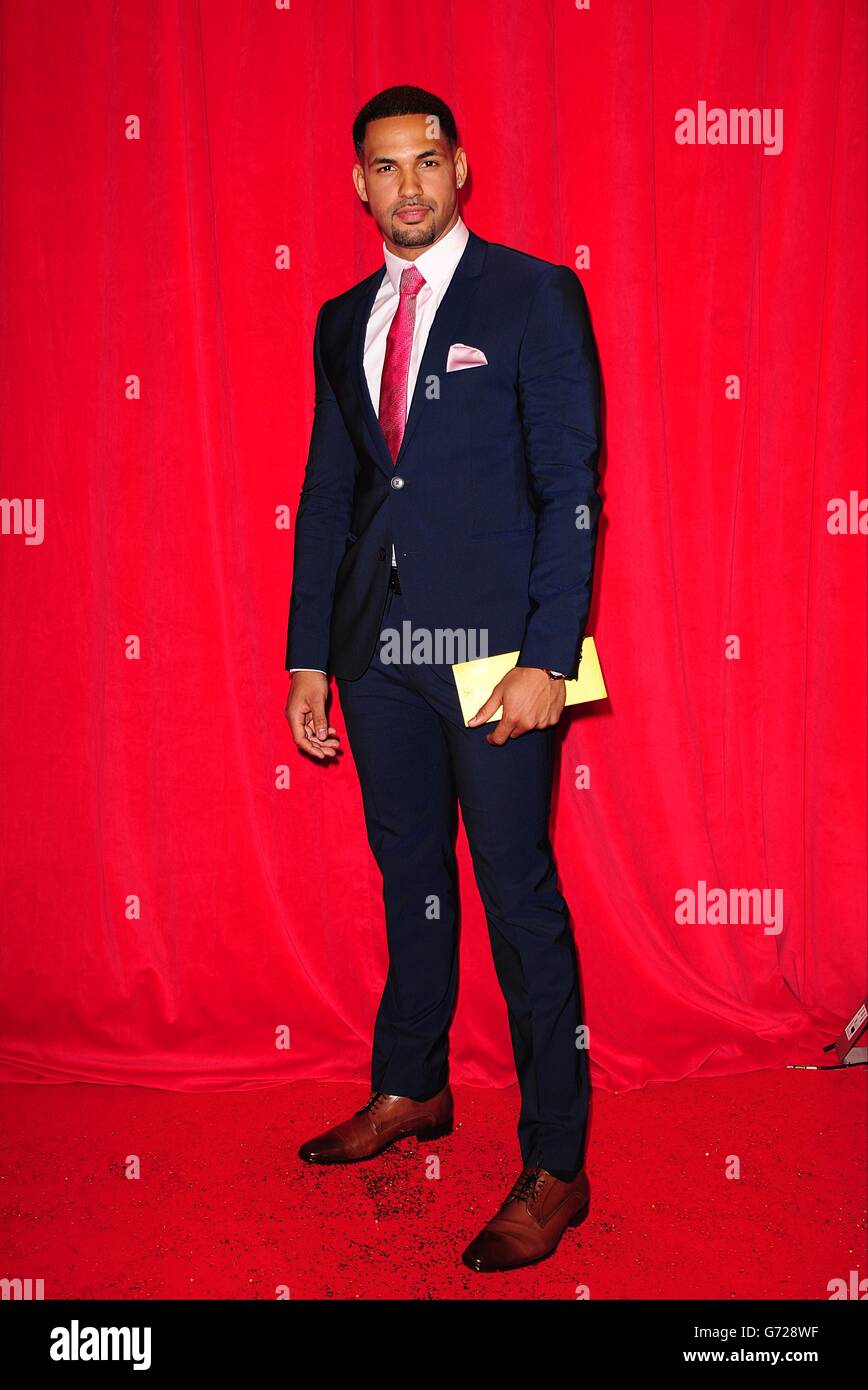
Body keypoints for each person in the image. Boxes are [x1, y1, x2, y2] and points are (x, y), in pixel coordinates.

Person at [284, 84, 602, 1272]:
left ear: (461, 168)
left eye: (427, 162)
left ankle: (556, 1163)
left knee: (520, 902)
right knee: (408, 875)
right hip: (377, 658)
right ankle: (412, 1086)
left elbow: (572, 487)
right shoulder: (337, 319)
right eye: (384, 167)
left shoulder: (531, 294)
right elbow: (331, 494)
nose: (407, 186)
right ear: (357, 183)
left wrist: (545, 659)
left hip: (493, 663)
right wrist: (310, 649)